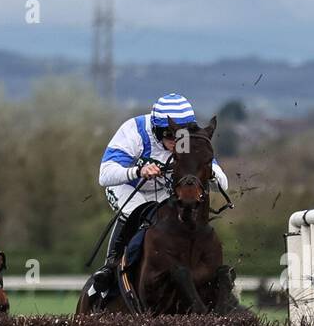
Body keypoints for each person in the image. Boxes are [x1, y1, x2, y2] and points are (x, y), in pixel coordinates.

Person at [90, 94, 229, 298]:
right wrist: (138, 171)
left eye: (179, 136)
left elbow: (223, 183)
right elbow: (105, 175)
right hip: (127, 186)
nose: (175, 142)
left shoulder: (188, 141)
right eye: (169, 135)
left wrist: (209, 171)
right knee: (139, 216)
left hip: (163, 189)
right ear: (156, 129)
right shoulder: (134, 131)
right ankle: (109, 267)